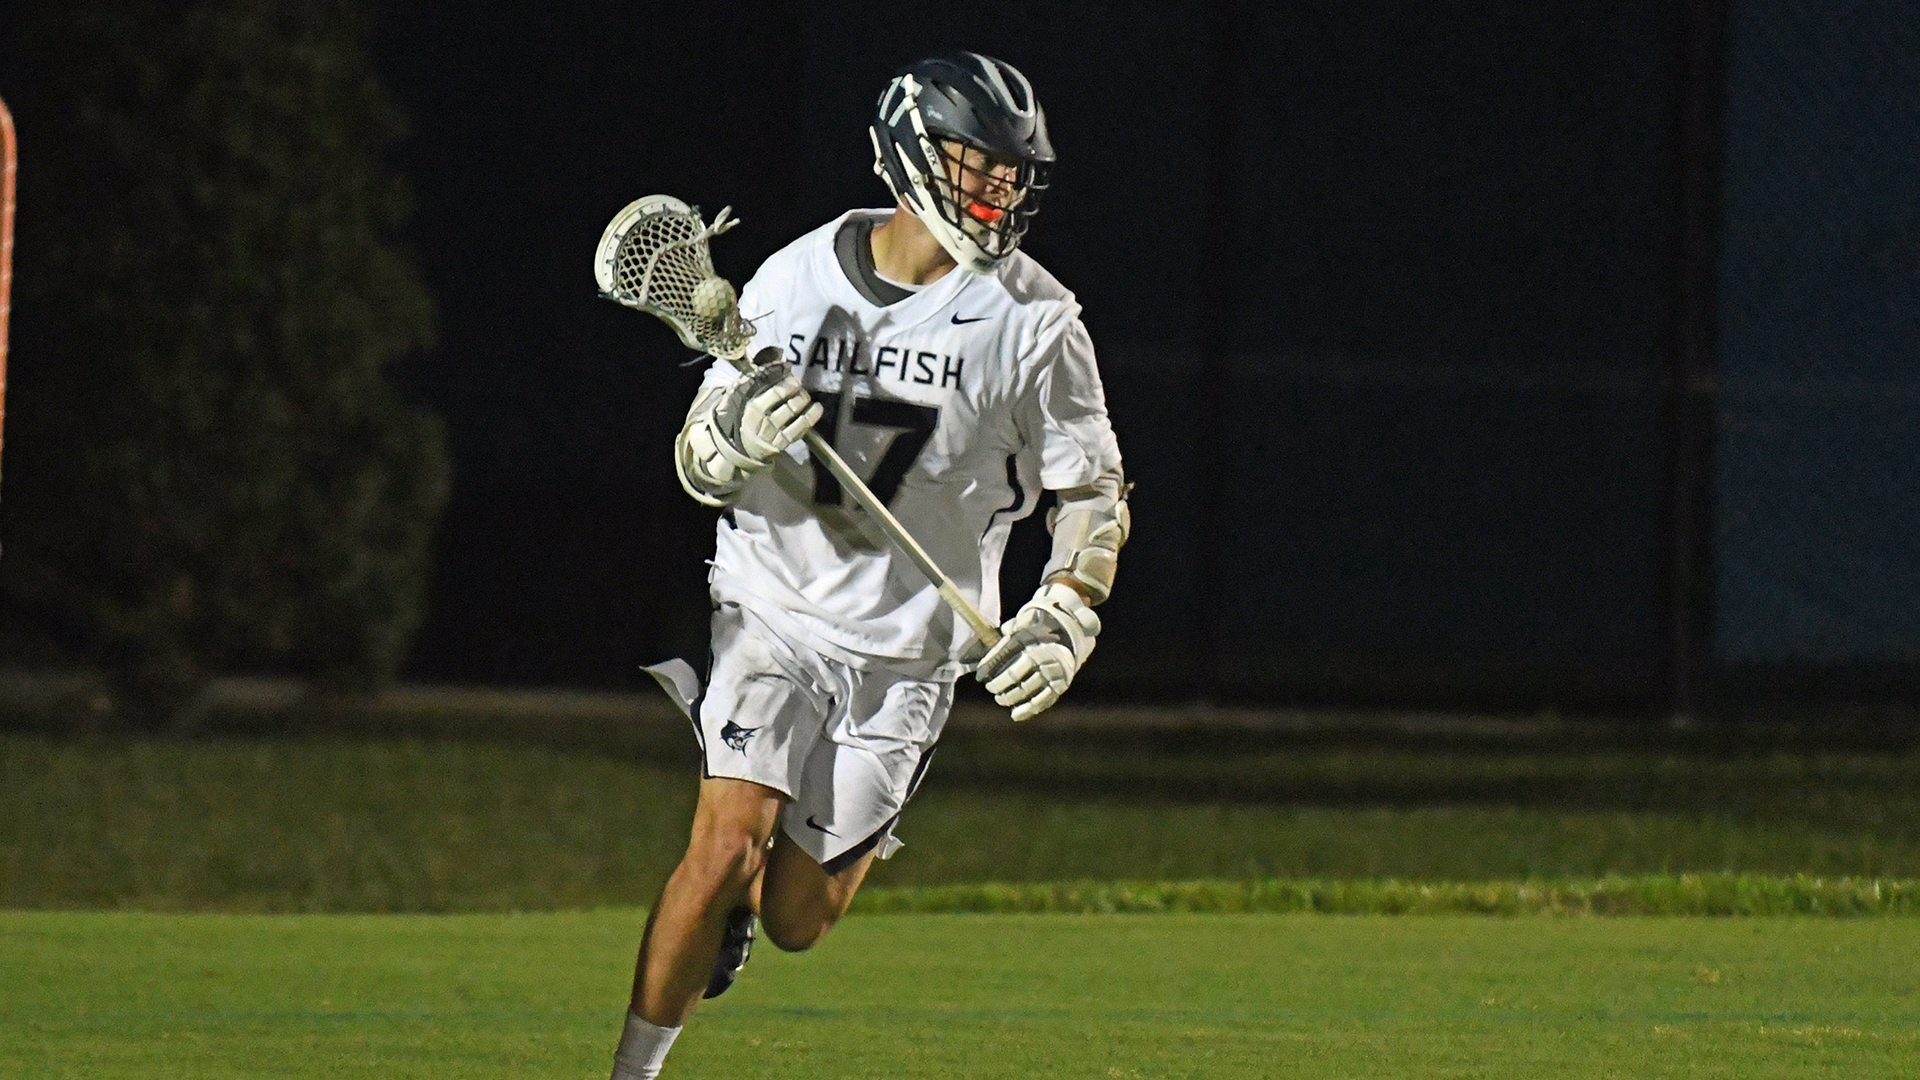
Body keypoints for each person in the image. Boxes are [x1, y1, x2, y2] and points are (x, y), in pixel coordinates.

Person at [608, 51, 1130, 1080]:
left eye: (1013, 172)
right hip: (771, 606)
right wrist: (735, 437)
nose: (1000, 189)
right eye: (978, 162)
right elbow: (696, 462)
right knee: (721, 844)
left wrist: (1067, 607)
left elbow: (1093, 493)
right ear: (911, 152)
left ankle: (750, 906)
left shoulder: (1037, 322)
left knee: (798, 917)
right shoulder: (792, 279)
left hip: (906, 651)